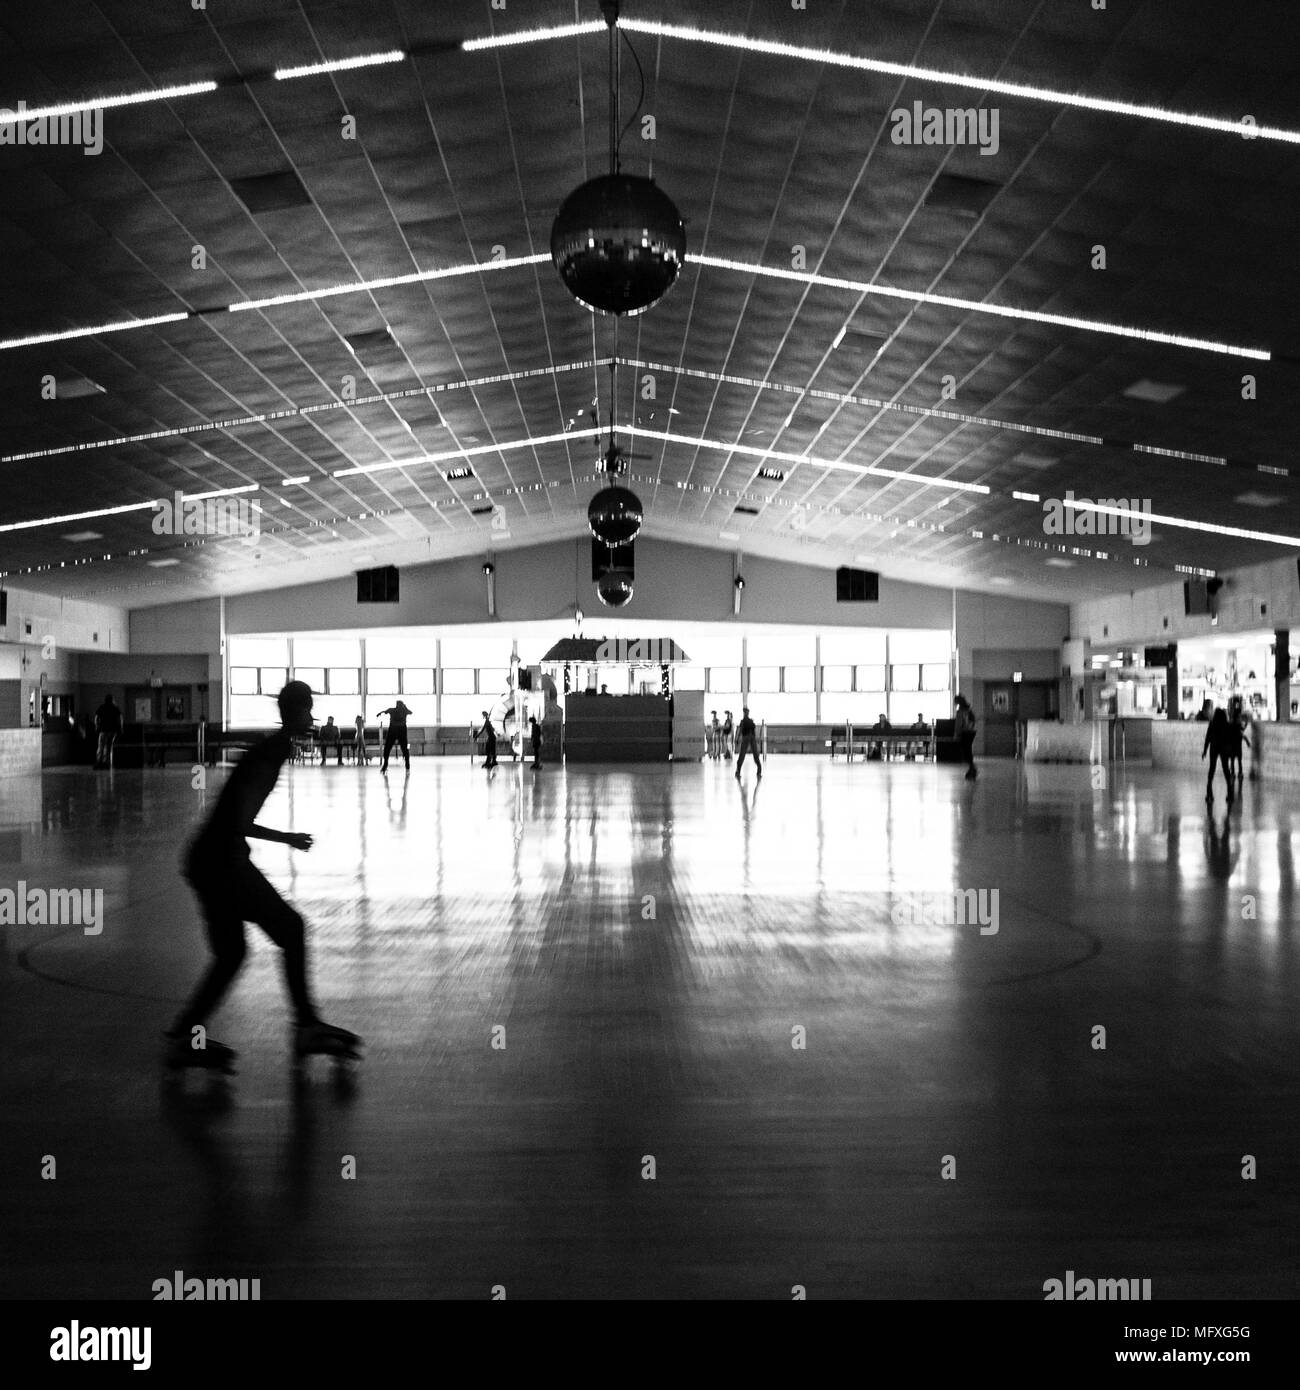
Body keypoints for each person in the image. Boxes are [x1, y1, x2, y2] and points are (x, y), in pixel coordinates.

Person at [165, 682, 360, 1072]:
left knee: (232, 954)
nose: (312, 718)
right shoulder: (271, 753)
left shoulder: (273, 749)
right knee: (291, 929)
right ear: (297, 711)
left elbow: (236, 816)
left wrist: (281, 837)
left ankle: (186, 1035)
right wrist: (285, 837)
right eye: (308, 710)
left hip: (208, 860)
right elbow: (238, 818)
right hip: (221, 863)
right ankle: (306, 1026)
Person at [1203, 707, 1234, 802]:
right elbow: (1230, 739)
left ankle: (1209, 793)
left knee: (1212, 769)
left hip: (1214, 748)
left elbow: (1207, 738)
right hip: (1224, 748)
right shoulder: (1227, 725)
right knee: (1226, 769)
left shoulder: (1212, 724)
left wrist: (1204, 751)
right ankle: (1230, 793)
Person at [378, 701, 412, 773]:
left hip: (393, 730)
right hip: (401, 730)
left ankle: (385, 765)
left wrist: (379, 713)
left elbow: (384, 711)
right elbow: (410, 712)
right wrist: (405, 707)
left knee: (388, 748)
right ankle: (407, 766)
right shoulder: (404, 711)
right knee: (404, 749)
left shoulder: (393, 710)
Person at [93, 694, 122, 769]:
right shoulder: (115, 708)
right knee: (109, 747)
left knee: (101, 746)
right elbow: (119, 719)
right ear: (112, 700)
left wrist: (96, 726)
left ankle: (99, 761)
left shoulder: (102, 707)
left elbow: (96, 718)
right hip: (112, 731)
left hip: (103, 730)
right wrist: (121, 728)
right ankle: (106, 762)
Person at [954, 694, 977, 780]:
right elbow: (973, 721)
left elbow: (958, 724)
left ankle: (972, 768)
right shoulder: (969, 710)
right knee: (968, 750)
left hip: (965, 732)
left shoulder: (960, 711)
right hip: (972, 732)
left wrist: (956, 734)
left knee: (966, 751)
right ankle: (972, 768)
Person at [734, 706, 762, 780]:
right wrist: (756, 740)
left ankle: (738, 771)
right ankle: (759, 771)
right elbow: (754, 731)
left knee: (742, 755)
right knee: (755, 755)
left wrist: (737, 739)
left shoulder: (743, 721)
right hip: (752, 738)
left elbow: (740, 730)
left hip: (746, 737)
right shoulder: (751, 721)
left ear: (744, 713)